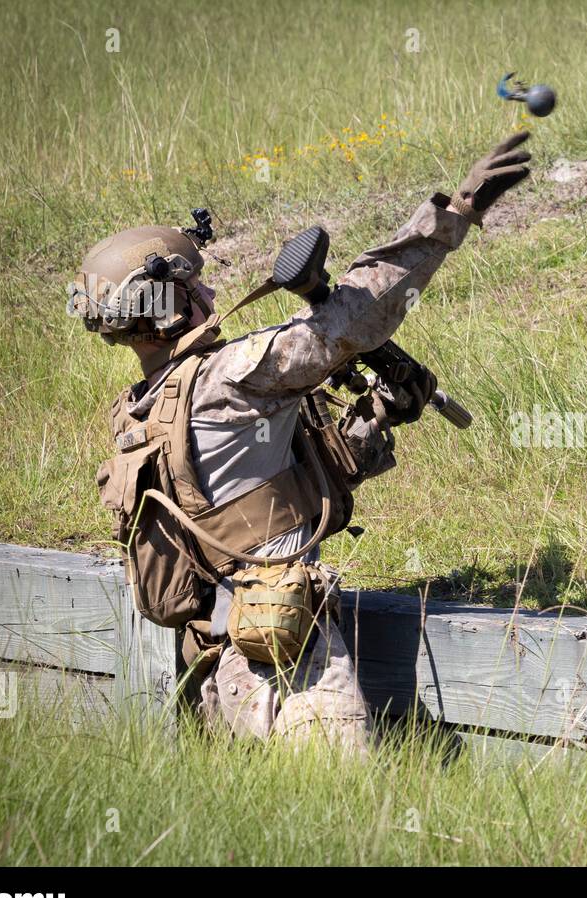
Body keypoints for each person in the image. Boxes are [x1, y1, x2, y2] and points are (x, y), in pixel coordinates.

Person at [72, 133, 532, 753]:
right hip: (288, 661)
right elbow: (355, 317)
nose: (211, 294)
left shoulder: (137, 416)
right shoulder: (227, 380)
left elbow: (260, 499)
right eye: (197, 286)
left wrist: (376, 419)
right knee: (347, 824)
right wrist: (458, 211)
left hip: (216, 664)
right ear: (173, 303)